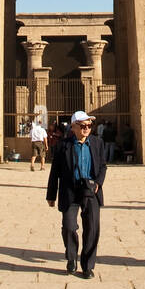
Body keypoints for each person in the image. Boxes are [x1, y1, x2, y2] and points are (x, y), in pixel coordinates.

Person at [46, 109, 106, 278]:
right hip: (70, 190)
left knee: (92, 228)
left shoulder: (96, 143)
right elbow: (55, 172)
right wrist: (51, 195)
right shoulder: (63, 146)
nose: (87, 128)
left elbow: (102, 166)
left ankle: (87, 266)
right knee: (69, 226)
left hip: (90, 190)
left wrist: (99, 183)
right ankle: (71, 257)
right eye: (83, 125)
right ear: (73, 127)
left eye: (89, 125)